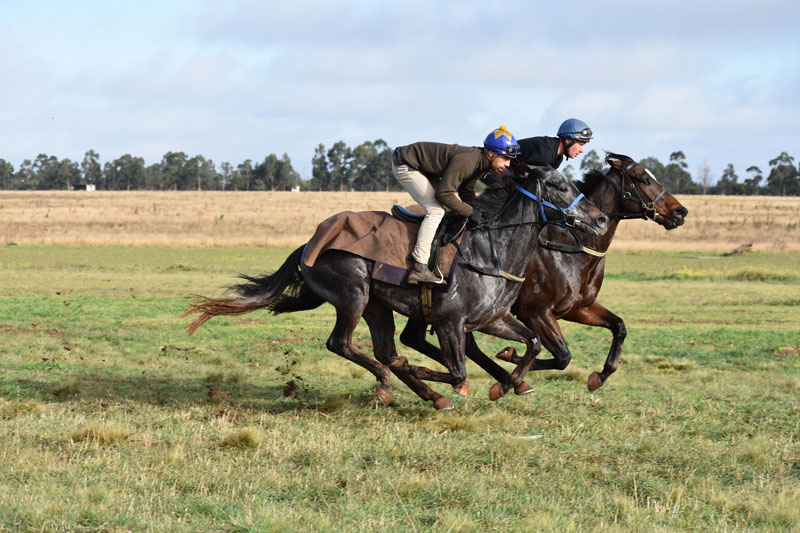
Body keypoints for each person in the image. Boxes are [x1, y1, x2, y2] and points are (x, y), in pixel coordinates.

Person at [393, 125, 521, 285]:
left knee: (445, 207)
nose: (508, 164)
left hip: (423, 168)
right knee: (436, 210)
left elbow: (466, 191)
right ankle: (419, 267)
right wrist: (470, 211)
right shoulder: (468, 161)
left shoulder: (482, 164)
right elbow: (444, 194)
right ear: (491, 153)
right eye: (506, 158)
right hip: (406, 164)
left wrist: (477, 211)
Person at [516, 118, 593, 169]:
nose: (582, 150)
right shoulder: (546, 153)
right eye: (580, 145)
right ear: (568, 140)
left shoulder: (558, 158)